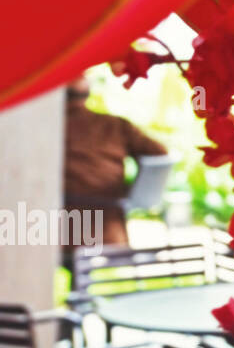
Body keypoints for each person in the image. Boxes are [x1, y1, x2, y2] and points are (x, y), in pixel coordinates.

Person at [63, 76, 169, 248]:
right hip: (109, 232)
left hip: (53, 232)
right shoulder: (115, 125)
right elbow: (160, 154)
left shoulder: (44, 129)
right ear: (87, 94)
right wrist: (128, 191)